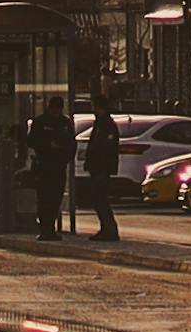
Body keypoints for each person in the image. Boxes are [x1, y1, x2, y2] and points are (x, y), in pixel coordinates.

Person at [28, 97, 73, 240]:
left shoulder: (65, 123)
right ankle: (44, 228)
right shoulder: (41, 122)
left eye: (58, 109)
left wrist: (65, 157)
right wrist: (48, 145)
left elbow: (71, 144)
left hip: (59, 166)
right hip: (44, 166)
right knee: (44, 198)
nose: (56, 111)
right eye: (54, 108)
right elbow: (31, 141)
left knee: (55, 198)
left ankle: (51, 228)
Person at [83, 93, 122, 244]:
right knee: (98, 199)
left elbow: (106, 147)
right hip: (96, 167)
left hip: (102, 168)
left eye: (94, 105)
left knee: (101, 199)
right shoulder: (100, 123)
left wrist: (100, 164)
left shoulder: (107, 124)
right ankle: (106, 229)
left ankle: (109, 230)